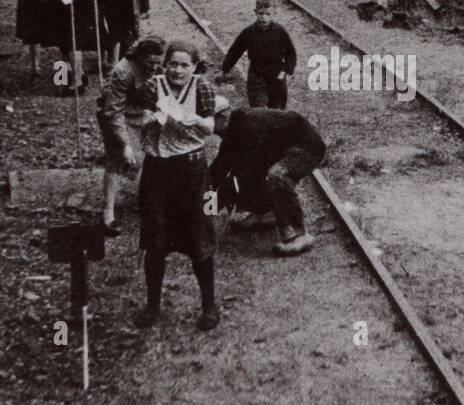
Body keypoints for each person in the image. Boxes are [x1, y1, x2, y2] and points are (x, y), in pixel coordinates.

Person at [137, 42, 224, 330]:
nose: (177, 70)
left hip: (191, 170)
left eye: (184, 65)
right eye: (173, 64)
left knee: (199, 237)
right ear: (165, 65)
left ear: (194, 68)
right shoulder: (153, 86)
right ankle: (152, 306)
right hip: (158, 171)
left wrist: (194, 120)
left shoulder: (201, 88)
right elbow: (139, 118)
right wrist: (152, 119)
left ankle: (209, 305)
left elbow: (211, 127)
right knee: (155, 239)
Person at [210, 107, 325, 255]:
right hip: (281, 149)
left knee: (277, 176)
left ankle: (299, 234)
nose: (211, 131)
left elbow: (242, 174)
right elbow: (217, 171)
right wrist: (204, 209)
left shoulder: (248, 125)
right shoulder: (232, 132)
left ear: (223, 118)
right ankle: (264, 213)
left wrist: (213, 207)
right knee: (255, 173)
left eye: (211, 123)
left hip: (308, 147)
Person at [98, 36, 165, 235]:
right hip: (118, 114)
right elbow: (113, 111)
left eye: (158, 62)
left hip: (145, 111)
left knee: (151, 156)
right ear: (140, 57)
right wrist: (125, 143)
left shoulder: (160, 66)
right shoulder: (123, 71)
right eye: (150, 62)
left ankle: (147, 200)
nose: (155, 67)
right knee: (119, 159)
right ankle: (108, 212)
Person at [220, 0, 297, 109]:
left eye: (267, 14)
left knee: (278, 113)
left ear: (273, 13)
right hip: (257, 75)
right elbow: (235, 50)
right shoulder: (249, 32)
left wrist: (286, 70)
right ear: (255, 12)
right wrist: (225, 69)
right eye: (261, 13)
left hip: (276, 75)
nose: (264, 18)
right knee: (258, 111)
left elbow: (291, 53)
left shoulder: (280, 32)